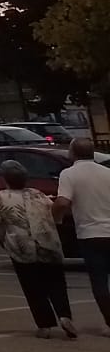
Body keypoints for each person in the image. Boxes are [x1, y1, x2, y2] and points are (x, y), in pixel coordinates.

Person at [0, 159, 76, 339]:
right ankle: (64, 315)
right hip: (48, 242)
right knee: (57, 283)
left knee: (32, 287)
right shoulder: (38, 194)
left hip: (21, 247)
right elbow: (53, 210)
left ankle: (45, 325)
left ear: (5, 179)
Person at [57, 136, 110, 335]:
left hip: (90, 234)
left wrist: (55, 218)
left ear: (73, 153)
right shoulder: (107, 172)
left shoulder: (69, 174)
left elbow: (63, 202)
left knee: (99, 281)